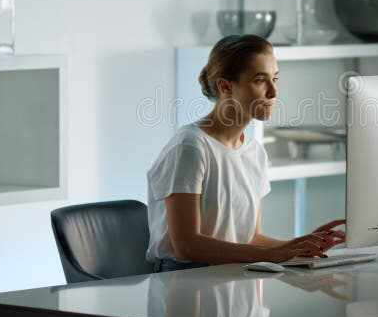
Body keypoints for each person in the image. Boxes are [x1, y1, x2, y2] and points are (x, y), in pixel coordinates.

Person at [146, 34, 345, 272]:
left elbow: (250, 238)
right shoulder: (190, 148)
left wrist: (300, 246)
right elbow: (186, 246)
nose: (273, 92)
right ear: (225, 87)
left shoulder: (255, 152)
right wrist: (274, 254)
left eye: (275, 79)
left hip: (231, 274)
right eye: (260, 80)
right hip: (184, 278)